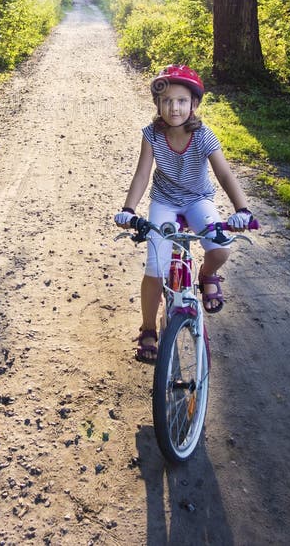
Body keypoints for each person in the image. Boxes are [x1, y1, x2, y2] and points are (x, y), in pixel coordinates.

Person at [114, 64, 254, 363]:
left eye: (181, 101)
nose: (174, 107)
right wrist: (129, 209)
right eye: (166, 101)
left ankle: (206, 275)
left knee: (220, 248)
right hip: (164, 201)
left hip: (197, 200)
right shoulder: (152, 134)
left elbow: (224, 173)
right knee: (155, 266)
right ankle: (149, 329)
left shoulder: (203, 136)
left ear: (194, 104)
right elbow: (141, 175)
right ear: (157, 105)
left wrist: (242, 209)